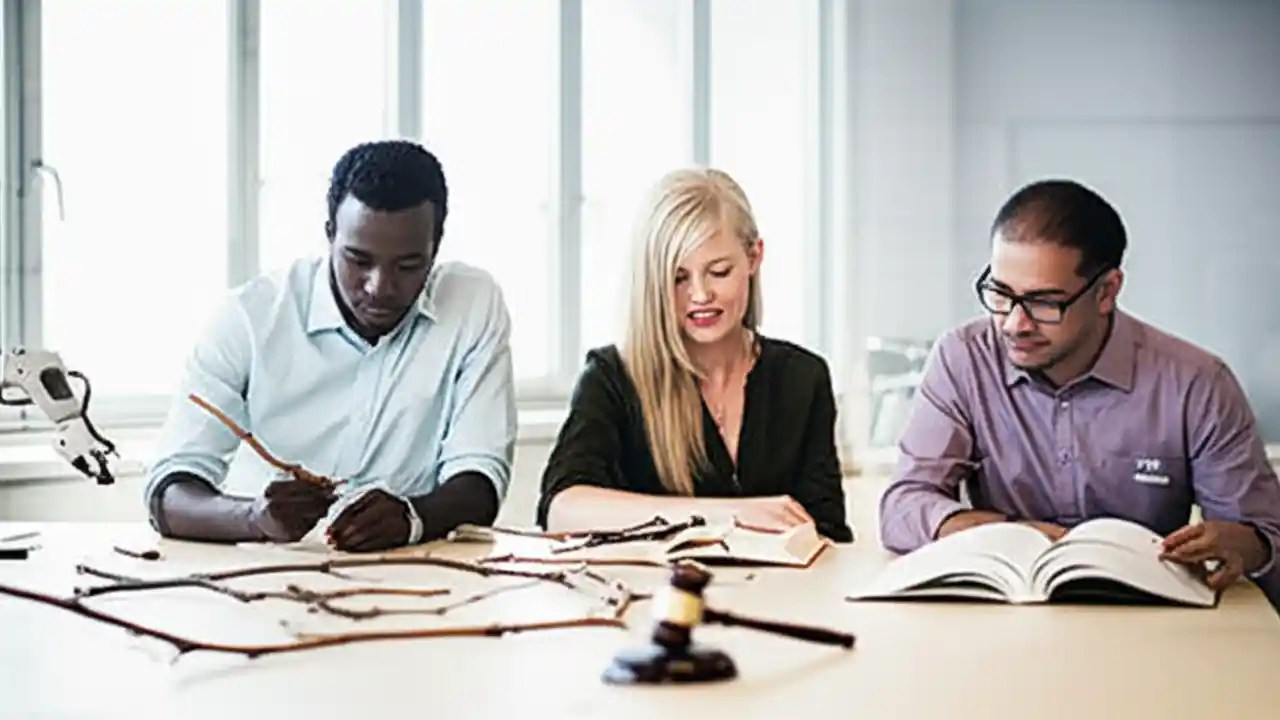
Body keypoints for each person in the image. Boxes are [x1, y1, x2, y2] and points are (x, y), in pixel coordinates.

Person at [879, 179, 1280, 606]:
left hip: (1151, 621)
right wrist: (999, 531)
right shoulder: (963, 359)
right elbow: (903, 505)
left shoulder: (1196, 383)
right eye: (1000, 294)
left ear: (1106, 291)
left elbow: (1262, 534)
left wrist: (1247, 545)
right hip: (1005, 619)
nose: (1015, 324)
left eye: (1044, 302)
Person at [145, 140, 516, 552]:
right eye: (358, 260)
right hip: (261, 579)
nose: (380, 287)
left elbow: (481, 479)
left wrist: (414, 517)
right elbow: (167, 494)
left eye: (408, 266)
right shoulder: (250, 317)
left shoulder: (472, 304)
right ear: (329, 235)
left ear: (436, 246)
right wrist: (254, 517)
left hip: (416, 575)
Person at [537, 168, 853, 542]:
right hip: (656, 598)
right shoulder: (613, 377)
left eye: (719, 272)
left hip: (775, 597)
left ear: (754, 258)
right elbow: (561, 509)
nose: (700, 295)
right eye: (678, 278)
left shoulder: (803, 378)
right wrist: (723, 514)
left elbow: (829, 530)